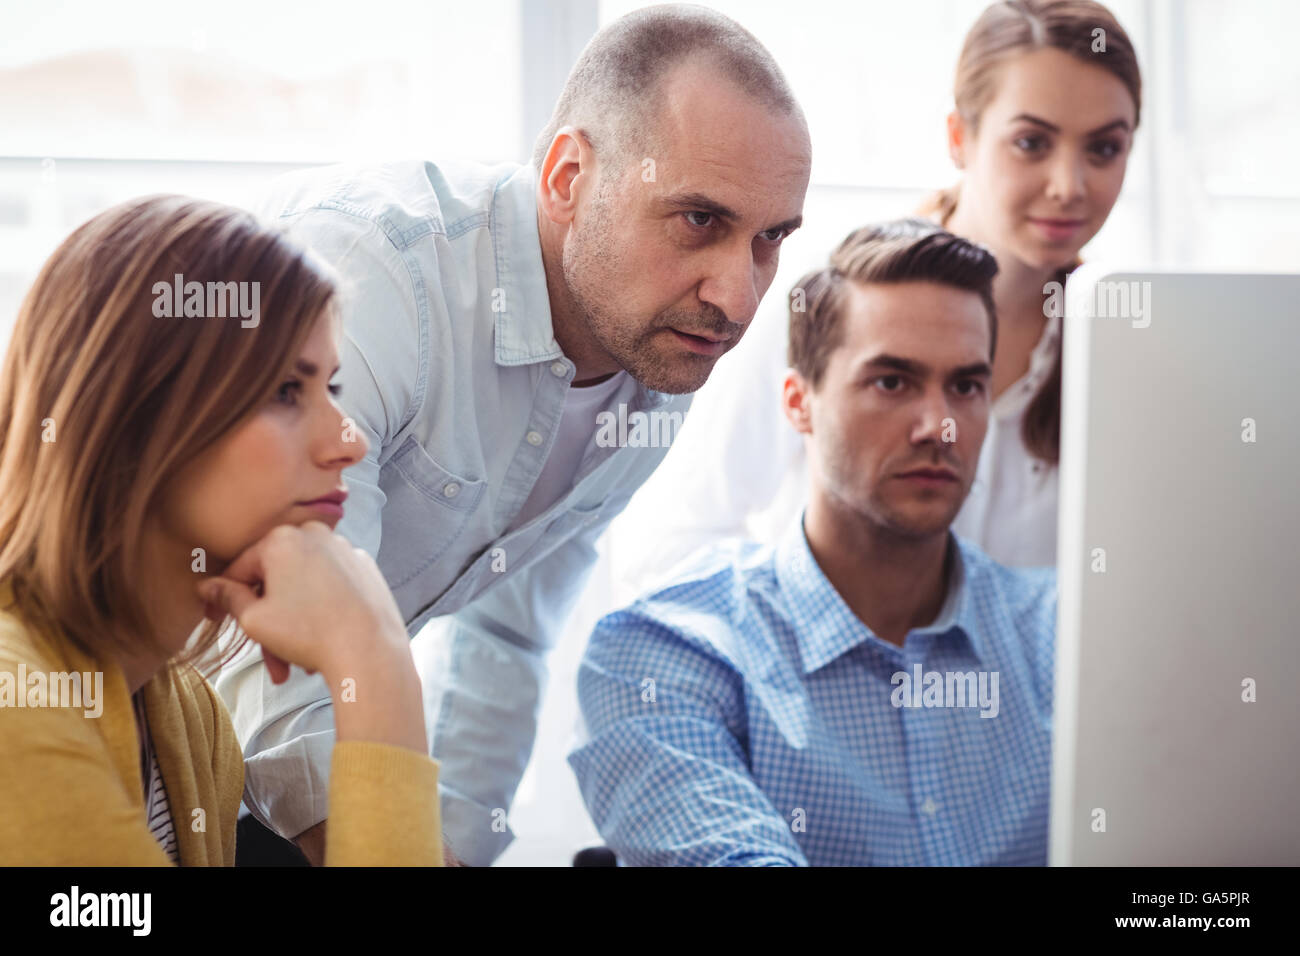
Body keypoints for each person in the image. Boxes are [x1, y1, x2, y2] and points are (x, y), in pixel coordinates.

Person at [214, 4, 812, 866]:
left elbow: (507, 635)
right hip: (125, 725)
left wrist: (451, 846)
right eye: (698, 221)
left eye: (770, 240)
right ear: (568, 176)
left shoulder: (659, 355)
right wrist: (396, 847)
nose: (738, 297)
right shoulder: (374, 277)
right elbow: (270, 623)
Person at [605, 0, 1142, 595]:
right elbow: (665, 548)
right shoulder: (832, 301)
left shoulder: (1122, 353)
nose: (1069, 186)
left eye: (1103, 149)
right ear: (959, 137)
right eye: (1031, 143)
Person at [569, 220, 1057, 866]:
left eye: (965, 387)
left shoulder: (1064, 638)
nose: (939, 426)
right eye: (892, 382)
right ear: (799, 403)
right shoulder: (665, 653)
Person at [0, 195, 442, 866]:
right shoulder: (16, 712)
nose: (349, 441)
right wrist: (376, 669)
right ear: (132, 421)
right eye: (287, 392)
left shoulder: (194, 720)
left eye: (333, 389)